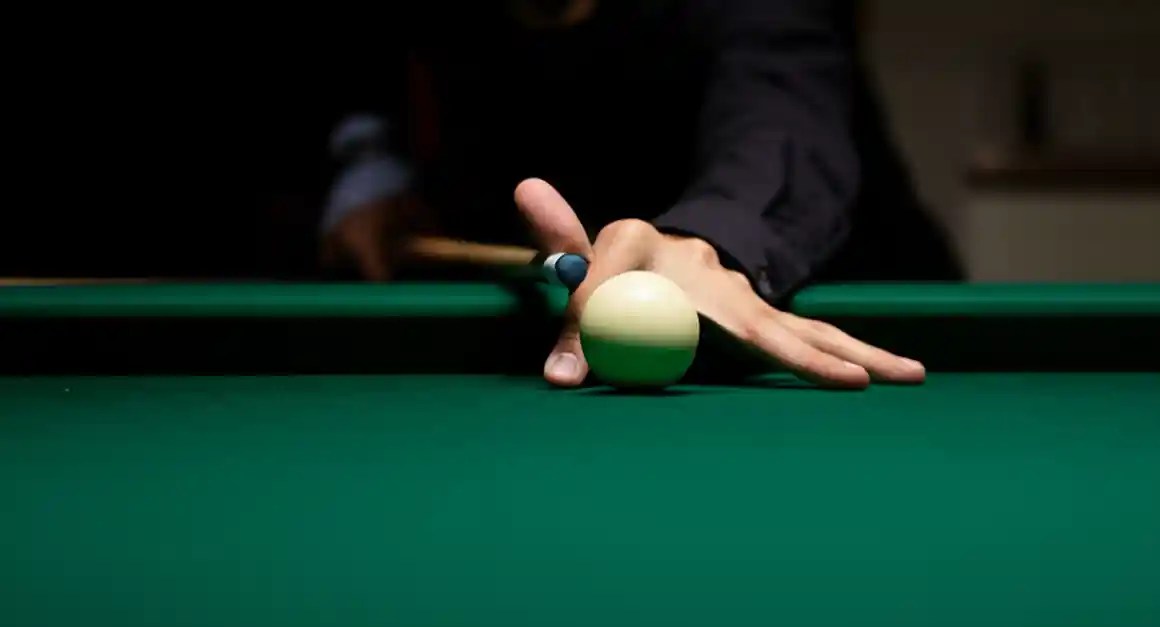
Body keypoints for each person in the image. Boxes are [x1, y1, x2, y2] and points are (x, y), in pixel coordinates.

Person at [277, 0, 961, 388]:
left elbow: (781, 109)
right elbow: (366, 65)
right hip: (564, 294)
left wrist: (710, 240)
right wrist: (370, 180)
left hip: (831, 289)